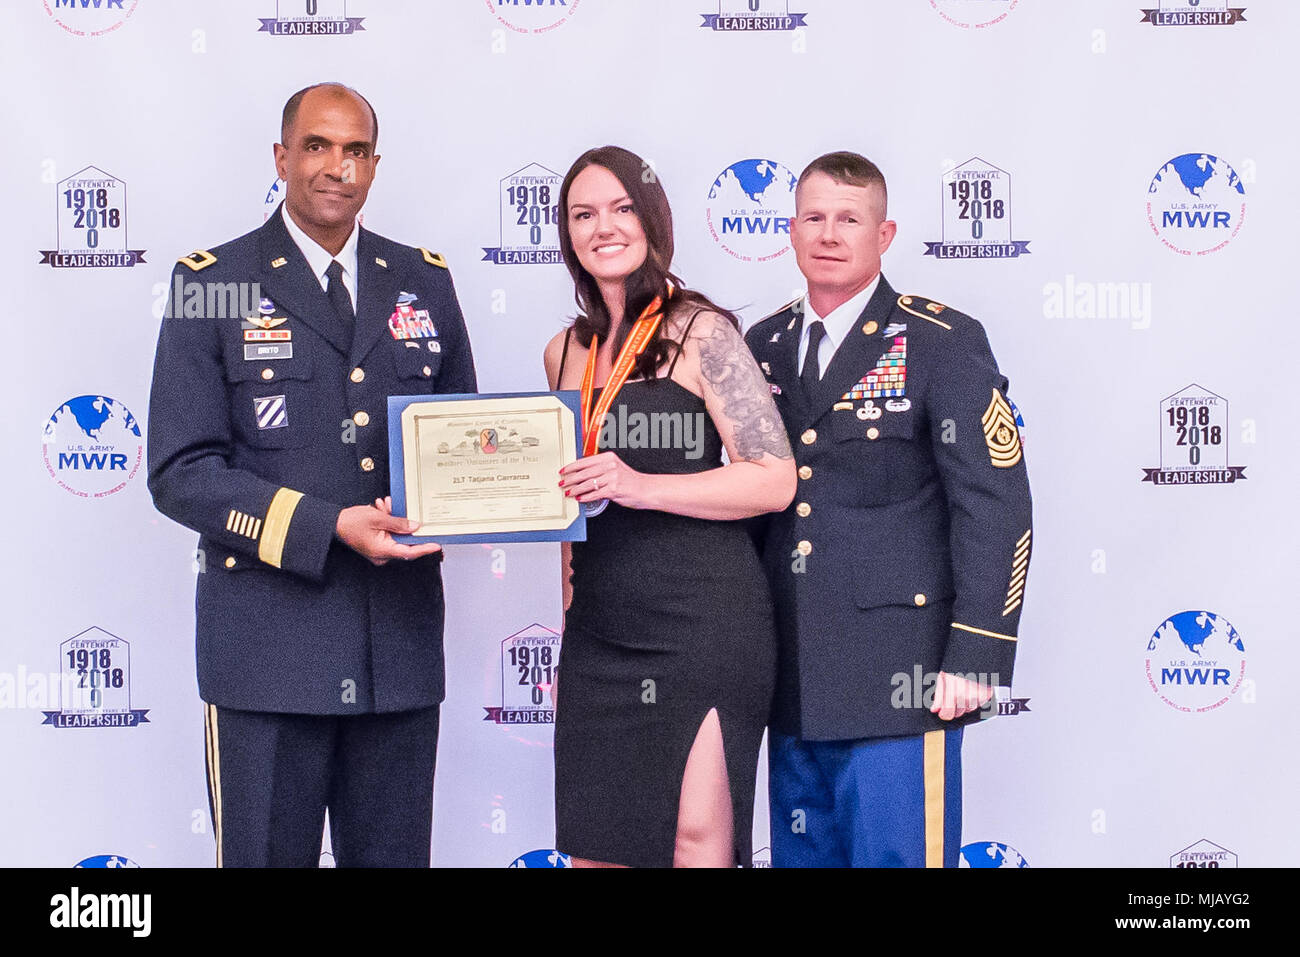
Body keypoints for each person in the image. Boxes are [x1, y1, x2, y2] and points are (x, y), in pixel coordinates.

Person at [147, 82, 477, 867]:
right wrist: (327, 525)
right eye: (319, 146)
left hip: (393, 656)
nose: (338, 167)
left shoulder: (423, 279)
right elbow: (180, 471)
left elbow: (461, 445)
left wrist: (486, 494)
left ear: (374, 164)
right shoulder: (212, 282)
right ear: (282, 157)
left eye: (356, 149)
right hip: (265, 659)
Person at [744, 151, 1033, 867]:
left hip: (904, 682)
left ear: (886, 234)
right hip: (792, 683)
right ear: (791, 230)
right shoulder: (762, 346)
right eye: (815, 217)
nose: (830, 233)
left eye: (851, 218)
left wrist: (979, 654)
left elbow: (996, 505)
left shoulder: (941, 341)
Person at [543, 146, 795, 868]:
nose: (603, 228)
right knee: (597, 847)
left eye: (622, 209)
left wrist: (640, 484)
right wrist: (567, 625)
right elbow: (566, 505)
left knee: (695, 839)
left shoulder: (701, 331)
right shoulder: (565, 352)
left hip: (702, 623)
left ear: (653, 220)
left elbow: (774, 478)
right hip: (598, 629)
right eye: (584, 215)